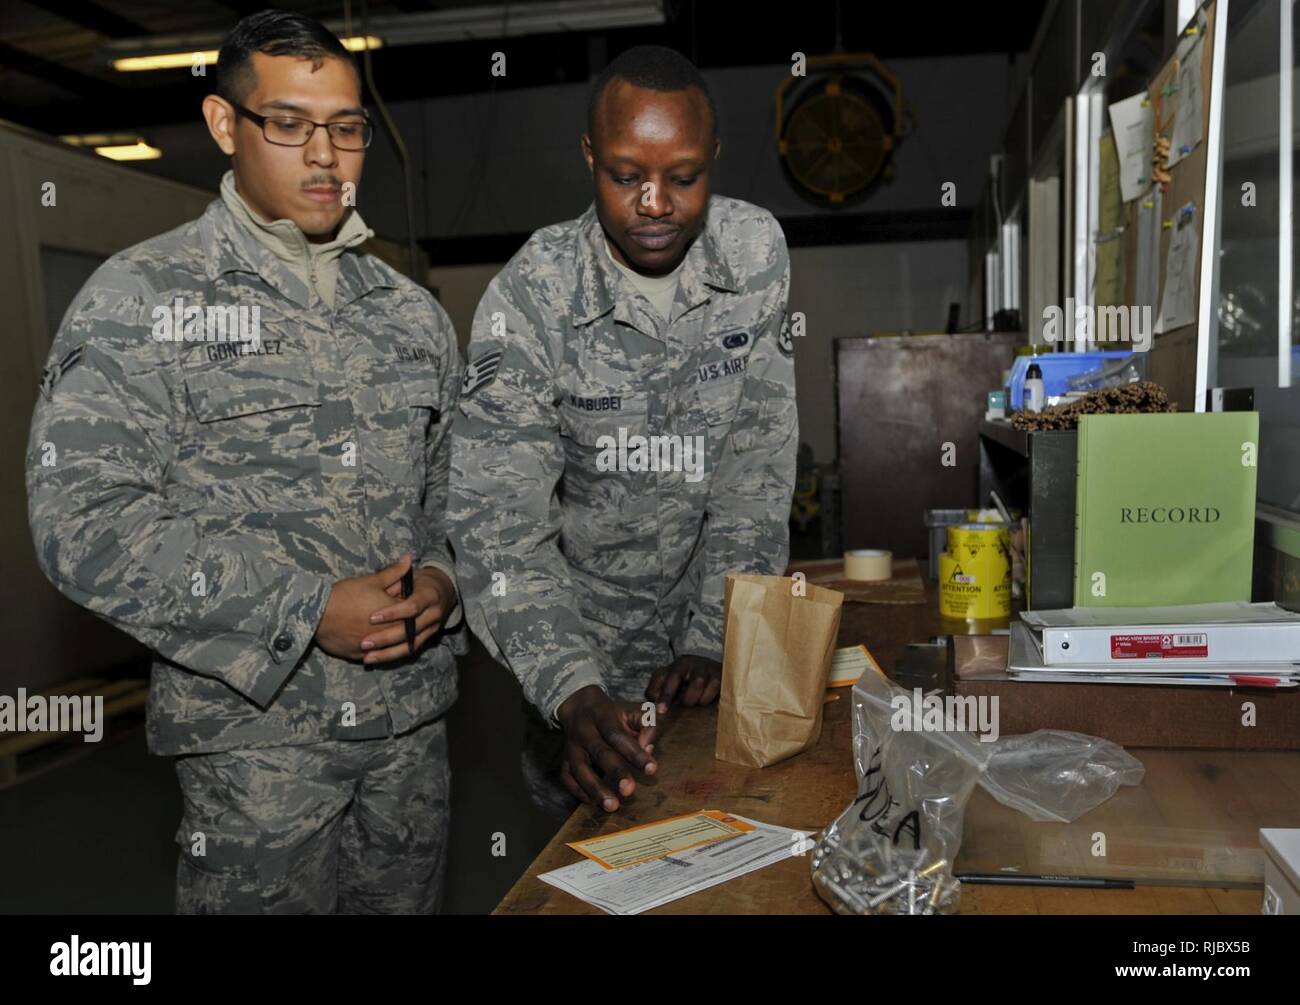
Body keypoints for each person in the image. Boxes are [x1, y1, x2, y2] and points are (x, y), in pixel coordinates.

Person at [26, 10, 464, 914]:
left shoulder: (411, 313)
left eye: (346, 128)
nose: (324, 157)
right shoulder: (144, 298)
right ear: (225, 126)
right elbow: (82, 524)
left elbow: (457, 491)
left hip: (410, 737)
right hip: (256, 753)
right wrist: (304, 611)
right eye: (288, 123)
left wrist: (446, 582)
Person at [449, 44, 797, 821]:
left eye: (683, 176)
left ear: (714, 157)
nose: (653, 202)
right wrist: (569, 687)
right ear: (588, 156)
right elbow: (499, 527)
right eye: (624, 174)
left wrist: (717, 633)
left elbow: (756, 470)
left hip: (714, 658)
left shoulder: (754, 254)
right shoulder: (532, 295)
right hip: (581, 666)